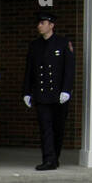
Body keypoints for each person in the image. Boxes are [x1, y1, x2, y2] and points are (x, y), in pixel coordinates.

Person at [22, 11, 74, 170]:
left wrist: (66, 89)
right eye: (39, 23)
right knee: (45, 128)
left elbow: (69, 69)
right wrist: (27, 91)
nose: (39, 26)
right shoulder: (35, 45)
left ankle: (55, 157)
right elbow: (29, 70)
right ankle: (48, 159)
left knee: (58, 128)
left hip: (58, 94)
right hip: (42, 94)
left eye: (42, 23)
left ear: (51, 25)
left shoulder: (63, 43)